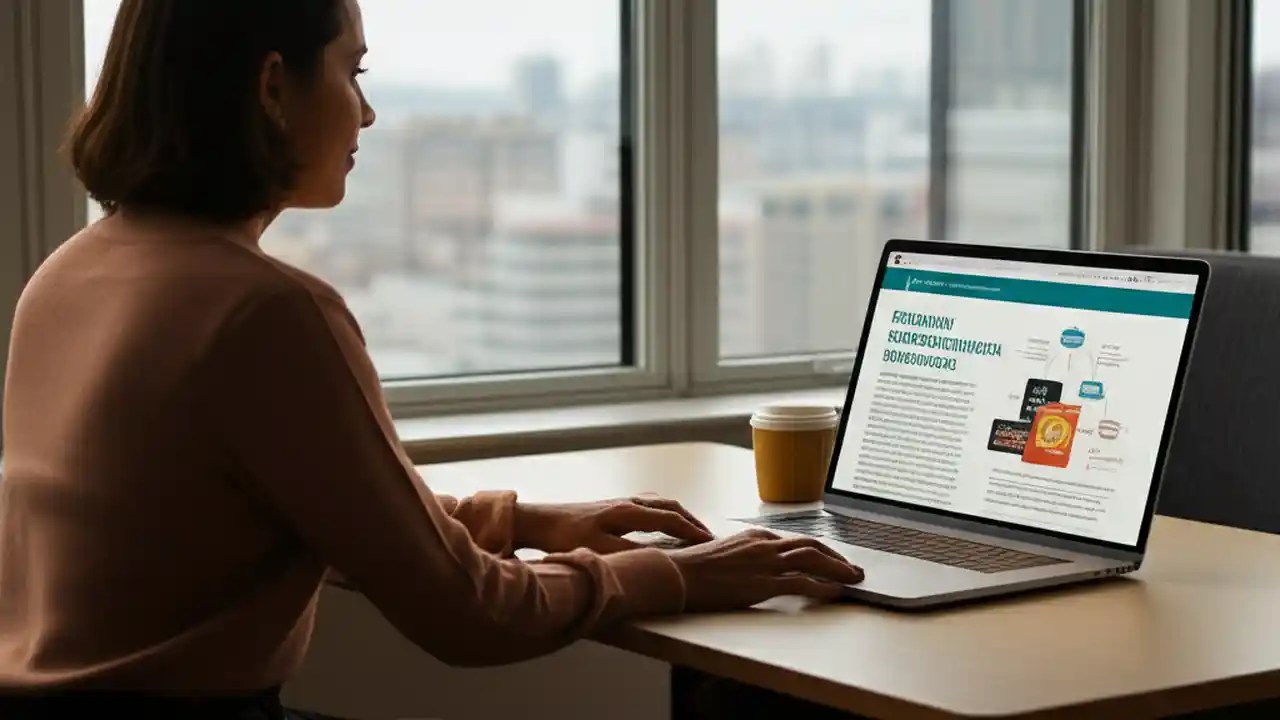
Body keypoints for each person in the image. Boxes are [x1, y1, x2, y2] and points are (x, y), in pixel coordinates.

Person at [0, 1, 864, 718]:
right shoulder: (265, 312)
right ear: (272, 87)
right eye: (353, 72)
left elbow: (319, 509)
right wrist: (675, 573)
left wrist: (526, 522)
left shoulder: (67, 277)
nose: (368, 113)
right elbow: (470, 615)